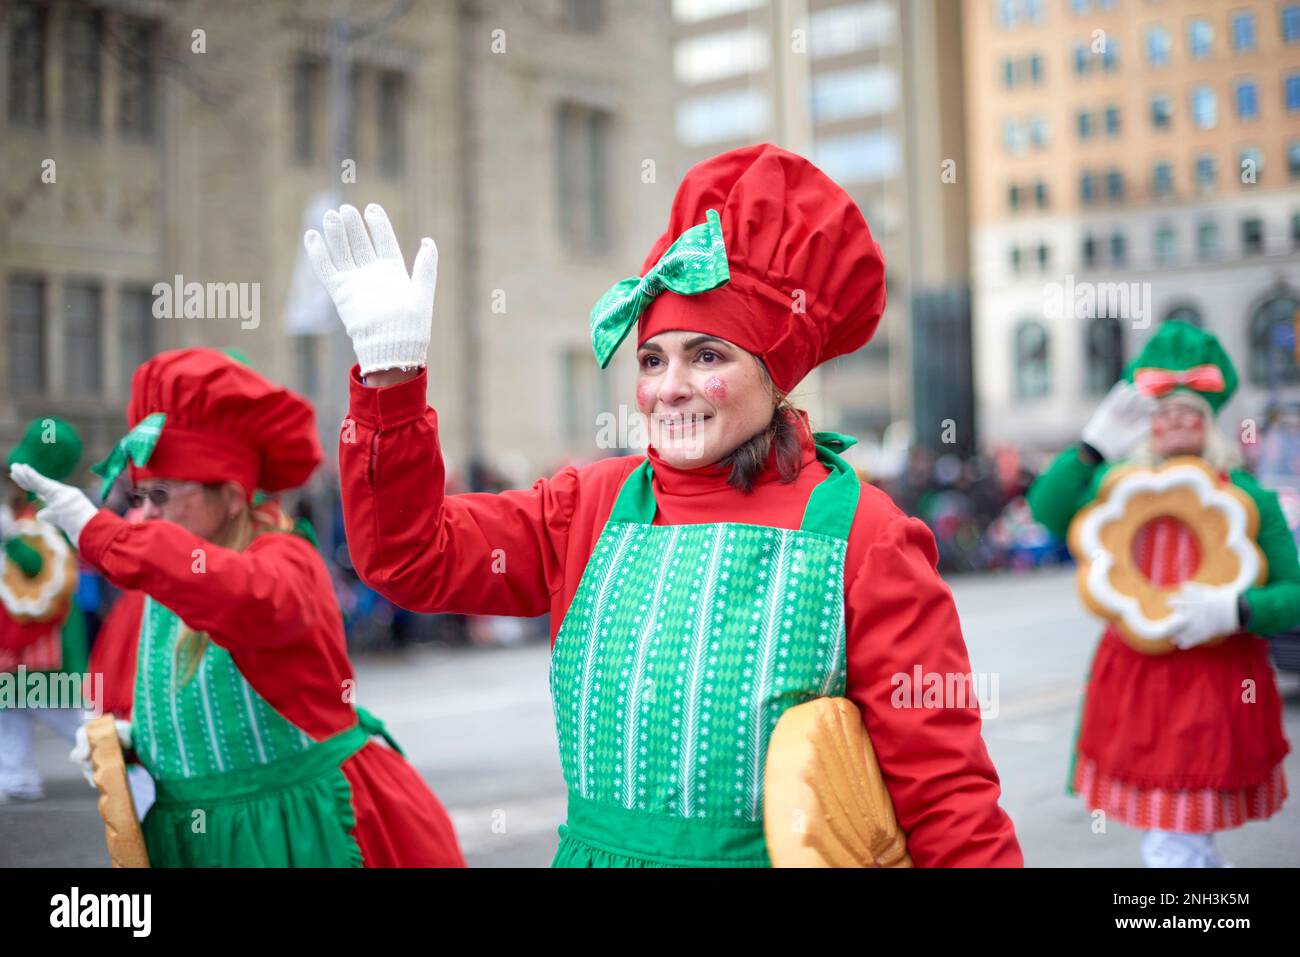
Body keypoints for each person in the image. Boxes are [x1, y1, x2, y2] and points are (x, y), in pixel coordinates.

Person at [306, 143, 1022, 867]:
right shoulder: (587, 505)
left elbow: (945, 798)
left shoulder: (865, 537)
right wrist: (390, 386)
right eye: (653, 359)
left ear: (776, 377)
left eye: (707, 356)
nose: (668, 387)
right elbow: (409, 555)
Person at [11, 348, 465, 867]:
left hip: (296, 833)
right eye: (137, 498)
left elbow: (246, 598)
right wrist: (136, 741)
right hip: (195, 839)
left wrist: (103, 534)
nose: (143, 515)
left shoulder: (285, 560)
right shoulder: (159, 580)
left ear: (229, 496)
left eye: (161, 495)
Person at [1027, 321, 1294, 867]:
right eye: (1163, 412)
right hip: (1134, 679)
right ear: (1146, 425)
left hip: (1217, 681)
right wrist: (1091, 447)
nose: (1175, 420)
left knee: (1179, 831)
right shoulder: (1116, 486)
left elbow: (1295, 592)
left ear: (1208, 423)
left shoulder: (1248, 496)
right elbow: (1047, 511)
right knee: (1171, 831)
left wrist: (1240, 609)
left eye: (1189, 411)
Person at [0, 418, 89, 802]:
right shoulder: (28, 510)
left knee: (68, 714)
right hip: (17, 634)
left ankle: (123, 766)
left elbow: (44, 567)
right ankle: (16, 777)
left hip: (46, 639)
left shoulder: (55, 510)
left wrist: (9, 541)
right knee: (9, 708)